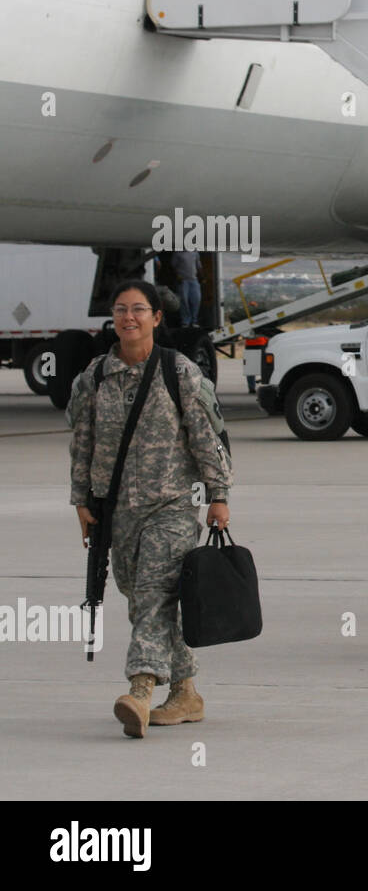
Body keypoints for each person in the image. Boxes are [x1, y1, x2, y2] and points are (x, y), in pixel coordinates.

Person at [68, 280, 232, 739]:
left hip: (171, 506)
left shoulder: (178, 372)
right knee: (141, 599)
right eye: (121, 310)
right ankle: (185, 693)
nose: (129, 318)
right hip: (115, 510)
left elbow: (206, 435)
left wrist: (218, 495)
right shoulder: (95, 376)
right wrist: (80, 498)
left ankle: (139, 692)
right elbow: (82, 441)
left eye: (139, 309)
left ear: (157, 318)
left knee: (155, 594)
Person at [172, 250, 201, 328]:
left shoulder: (195, 252)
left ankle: (194, 320)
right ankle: (185, 321)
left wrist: (201, 277)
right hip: (183, 280)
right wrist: (178, 276)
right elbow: (173, 266)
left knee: (196, 299)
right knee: (184, 301)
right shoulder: (178, 252)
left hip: (193, 279)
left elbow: (198, 265)